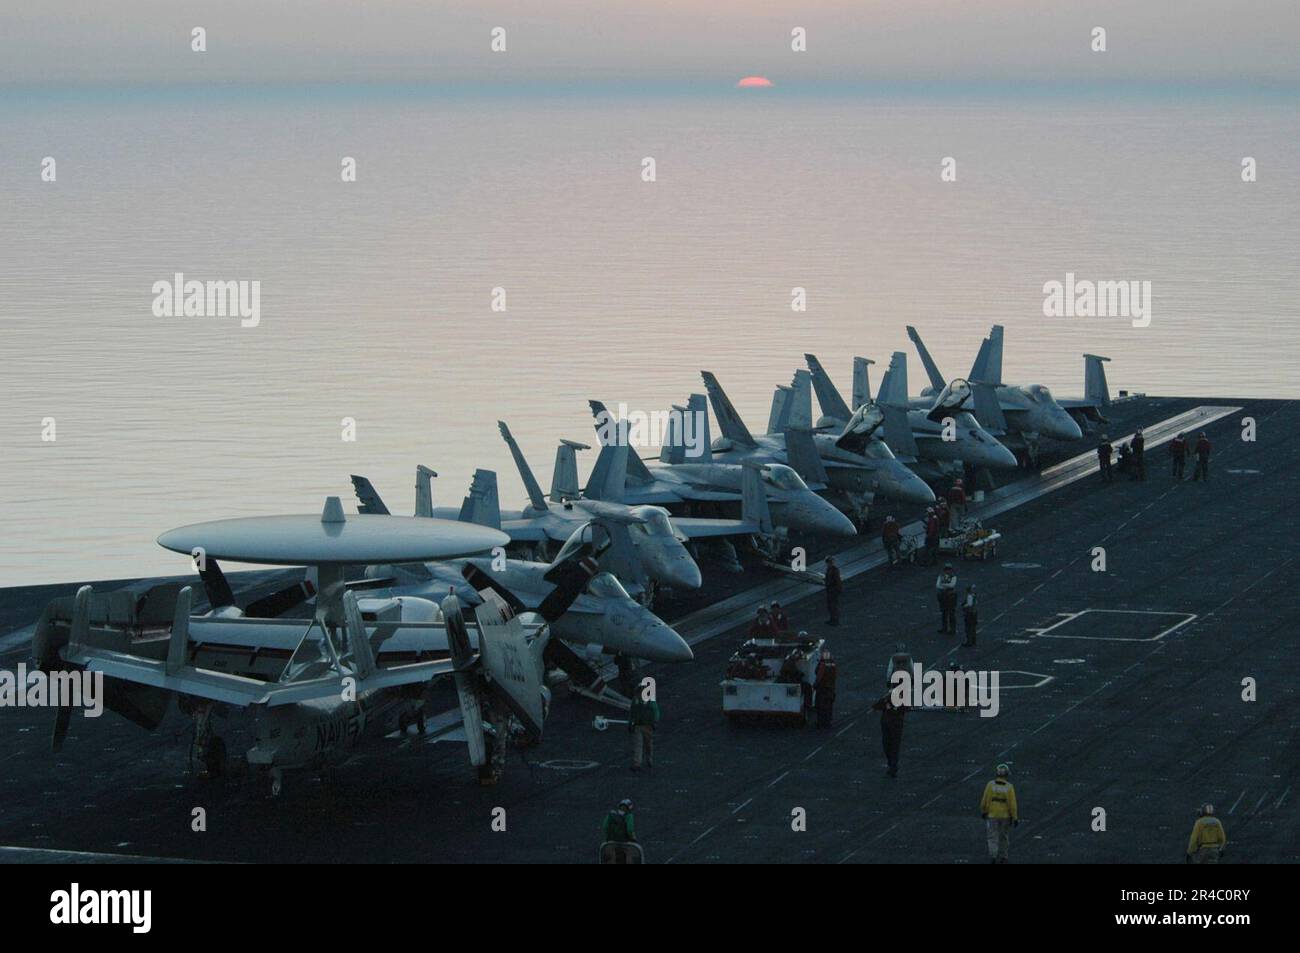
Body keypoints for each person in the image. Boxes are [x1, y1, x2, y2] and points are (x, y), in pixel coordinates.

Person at [980, 764, 1019, 863]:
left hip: (992, 816)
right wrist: (1014, 818)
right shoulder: (1009, 787)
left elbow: (984, 800)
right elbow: (1012, 804)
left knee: (992, 836)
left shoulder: (990, 785)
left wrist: (984, 811)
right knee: (1004, 837)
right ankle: (1004, 857)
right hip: (1005, 817)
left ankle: (993, 856)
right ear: (1006, 775)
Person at [871, 691, 907, 777]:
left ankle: (893, 766)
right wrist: (889, 705)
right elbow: (875, 706)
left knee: (894, 746)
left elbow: (906, 708)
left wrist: (889, 706)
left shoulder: (903, 699)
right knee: (886, 745)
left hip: (896, 726)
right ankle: (891, 763)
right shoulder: (887, 698)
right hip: (886, 725)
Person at [628, 691, 660, 771]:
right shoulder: (642, 700)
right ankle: (637, 763)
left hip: (646, 725)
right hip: (640, 725)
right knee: (639, 744)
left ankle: (647, 759)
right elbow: (632, 712)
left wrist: (630, 724)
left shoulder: (640, 700)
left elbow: (655, 712)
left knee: (646, 744)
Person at [600, 799, 639, 863]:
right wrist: (633, 839)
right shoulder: (629, 816)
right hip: (624, 841)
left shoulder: (611, 815)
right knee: (629, 854)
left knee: (612, 856)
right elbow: (630, 830)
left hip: (611, 840)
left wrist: (608, 837)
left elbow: (605, 826)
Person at [814, 651, 837, 728]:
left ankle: (821, 723)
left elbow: (819, 677)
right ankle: (828, 722)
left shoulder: (823, 665)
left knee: (820, 707)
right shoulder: (833, 665)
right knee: (829, 707)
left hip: (822, 689)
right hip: (830, 689)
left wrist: (815, 685)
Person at [936, 564, 958, 635]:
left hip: (951, 597)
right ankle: (944, 628)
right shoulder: (940, 576)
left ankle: (952, 629)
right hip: (943, 596)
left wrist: (943, 585)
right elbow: (937, 585)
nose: (947, 571)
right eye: (946, 569)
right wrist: (946, 585)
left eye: (949, 569)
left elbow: (952, 585)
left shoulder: (953, 577)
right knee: (944, 613)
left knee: (951, 613)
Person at [824, 556, 843, 626]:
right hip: (830, 590)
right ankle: (833, 619)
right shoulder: (830, 569)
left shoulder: (834, 570)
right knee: (830, 606)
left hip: (833, 590)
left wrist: (838, 589)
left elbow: (837, 580)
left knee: (833, 606)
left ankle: (835, 620)